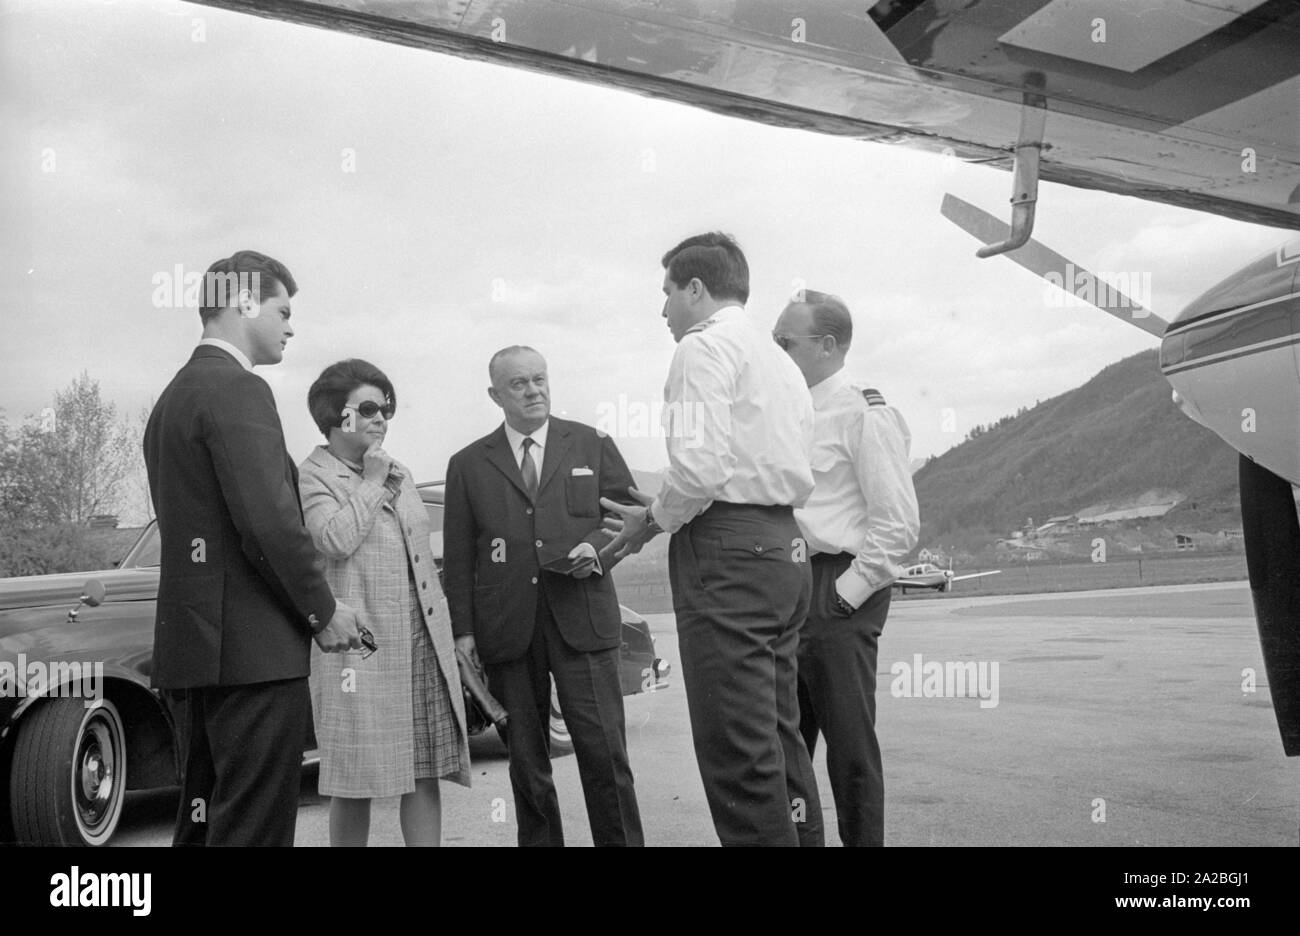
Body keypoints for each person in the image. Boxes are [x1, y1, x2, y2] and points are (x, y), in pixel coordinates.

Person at [600, 232, 824, 847]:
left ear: (695, 288)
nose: (664, 310)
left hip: (729, 552)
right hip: (784, 545)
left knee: (738, 751)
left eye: (667, 293)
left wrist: (652, 520)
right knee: (779, 739)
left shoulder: (702, 350)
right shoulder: (780, 360)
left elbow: (700, 469)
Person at [143, 250, 362, 847]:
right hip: (253, 657)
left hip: (198, 653)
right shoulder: (238, 390)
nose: (291, 326)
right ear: (244, 303)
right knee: (253, 830)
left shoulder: (171, 400)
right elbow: (268, 524)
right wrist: (322, 610)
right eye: (283, 310)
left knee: (204, 821)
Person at [442, 346, 644, 847]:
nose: (533, 390)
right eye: (519, 384)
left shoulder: (592, 443)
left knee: (606, 760)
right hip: (508, 632)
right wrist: (464, 632)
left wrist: (596, 550)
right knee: (528, 767)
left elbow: (624, 517)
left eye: (539, 379)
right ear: (495, 394)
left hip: (584, 622)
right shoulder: (468, 464)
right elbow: (460, 556)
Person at [298, 359, 472, 846]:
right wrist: (373, 483)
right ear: (336, 415)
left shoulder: (399, 471)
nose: (382, 418)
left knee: (423, 769)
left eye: (386, 408)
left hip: (419, 643)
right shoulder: (314, 476)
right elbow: (333, 539)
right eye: (369, 408)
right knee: (355, 777)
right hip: (363, 649)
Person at [774, 290, 919, 847]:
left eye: (785, 341)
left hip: (836, 585)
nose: (776, 350)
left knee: (850, 748)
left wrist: (844, 595)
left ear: (827, 346)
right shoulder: (786, 411)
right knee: (787, 745)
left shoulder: (864, 411)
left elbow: (897, 523)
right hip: (787, 585)